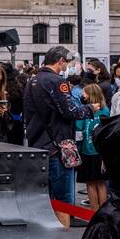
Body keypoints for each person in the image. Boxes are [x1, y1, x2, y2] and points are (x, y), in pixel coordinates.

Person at [23, 45, 81, 226]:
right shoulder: (57, 81)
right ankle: (63, 236)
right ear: (60, 61)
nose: (67, 67)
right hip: (57, 146)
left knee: (45, 198)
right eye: (67, 63)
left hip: (37, 145)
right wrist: (89, 109)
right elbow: (69, 112)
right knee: (64, 199)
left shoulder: (32, 80)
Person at [74, 84, 110, 213]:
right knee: (95, 182)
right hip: (92, 151)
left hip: (94, 151)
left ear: (91, 94)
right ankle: (97, 213)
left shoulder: (100, 111)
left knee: (96, 183)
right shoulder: (103, 110)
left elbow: (79, 128)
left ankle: (98, 213)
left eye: (84, 93)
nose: (82, 95)